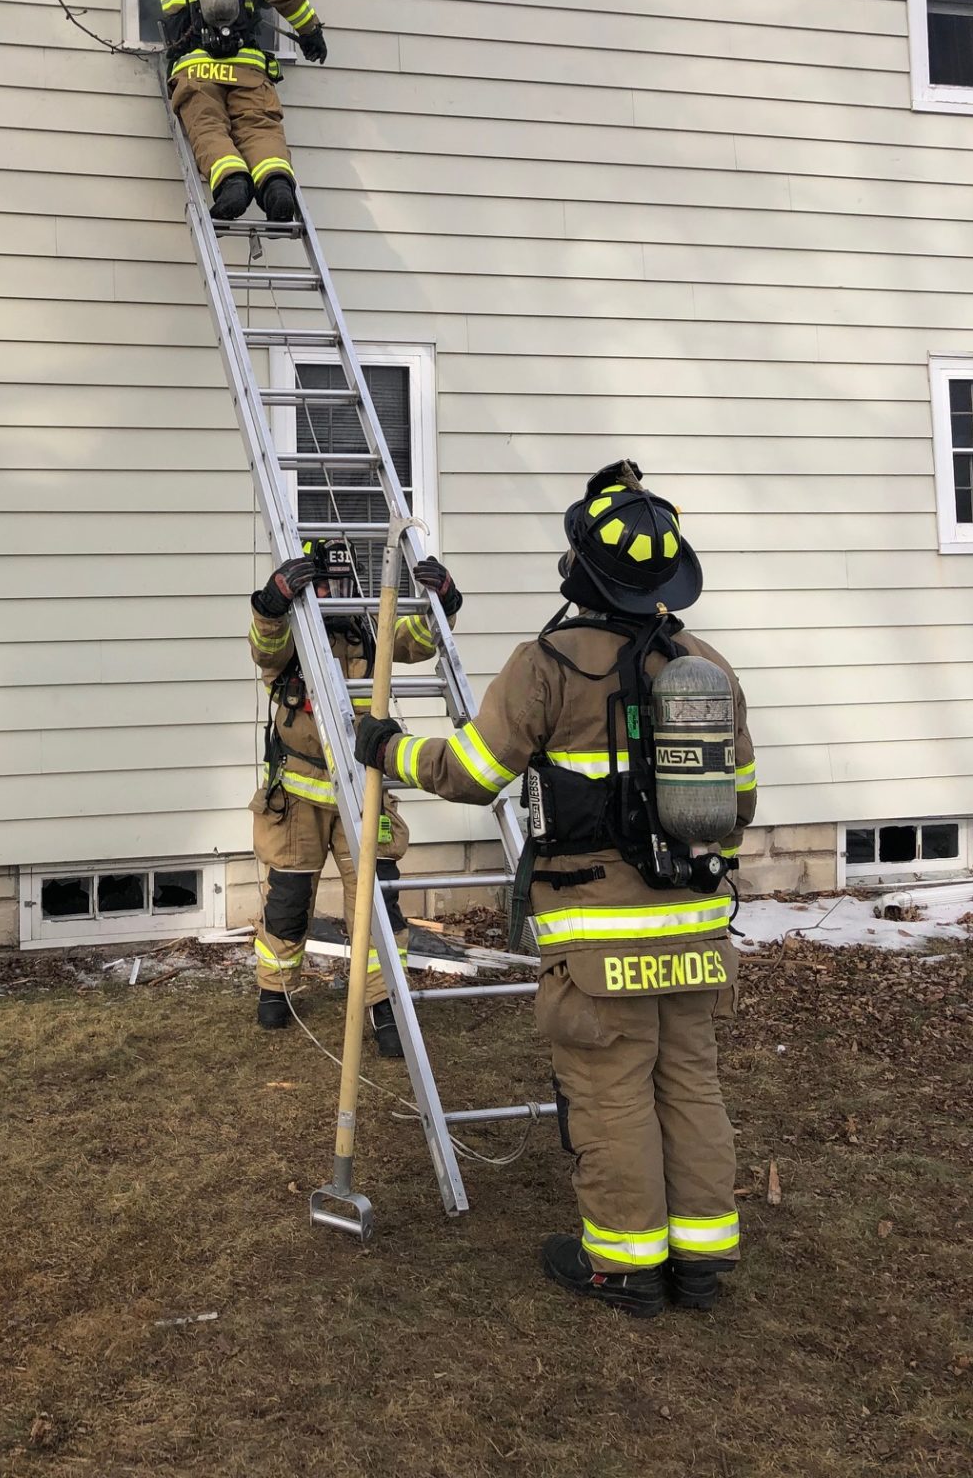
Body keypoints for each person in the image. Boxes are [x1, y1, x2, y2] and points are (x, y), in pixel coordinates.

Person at [355, 462, 757, 1315]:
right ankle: (701, 1257)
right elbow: (740, 802)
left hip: (598, 929)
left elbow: (468, 774)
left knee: (611, 1089)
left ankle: (623, 1265)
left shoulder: (547, 666)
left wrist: (386, 746)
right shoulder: (706, 667)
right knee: (689, 1084)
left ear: (579, 571)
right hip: (694, 926)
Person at [249, 537, 462, 1058]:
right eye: (321, 583)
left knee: (377, 902)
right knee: (288, 900)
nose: (331, 592)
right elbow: (265, 648)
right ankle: (274, 991)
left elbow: (415, 637)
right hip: (298, 794)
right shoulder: (295, 634)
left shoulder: (370, 628)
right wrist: (271, 605)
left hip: (365, 788)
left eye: (339, 583)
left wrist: (442, 602)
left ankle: (384, 1006)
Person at [157, 0, 327, 224]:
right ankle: (276, 186)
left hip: (195, 66)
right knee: (259, 125)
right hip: (247, 66)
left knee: (207, 126)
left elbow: (172, 15)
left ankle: (232, 183)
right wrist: (310, 31)